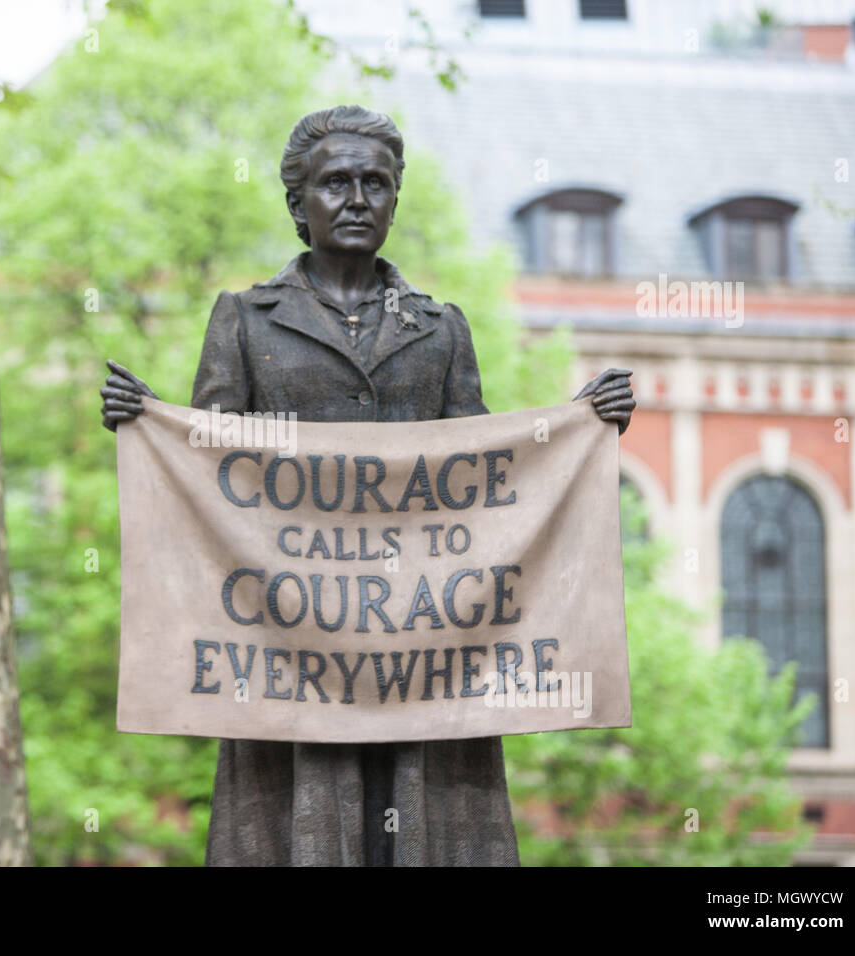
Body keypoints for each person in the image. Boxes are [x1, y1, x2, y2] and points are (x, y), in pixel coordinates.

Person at [101, 105, 634, 865]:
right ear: (299, 205)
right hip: (292, 663)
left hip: (426, 659)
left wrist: (581, 425)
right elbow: (208, 474)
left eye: (376, 184)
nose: (358, 198)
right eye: (337, 183)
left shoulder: (440, 327)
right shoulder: (245, 321)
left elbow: (492, 480)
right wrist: (149, 423)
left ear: (394, 200)